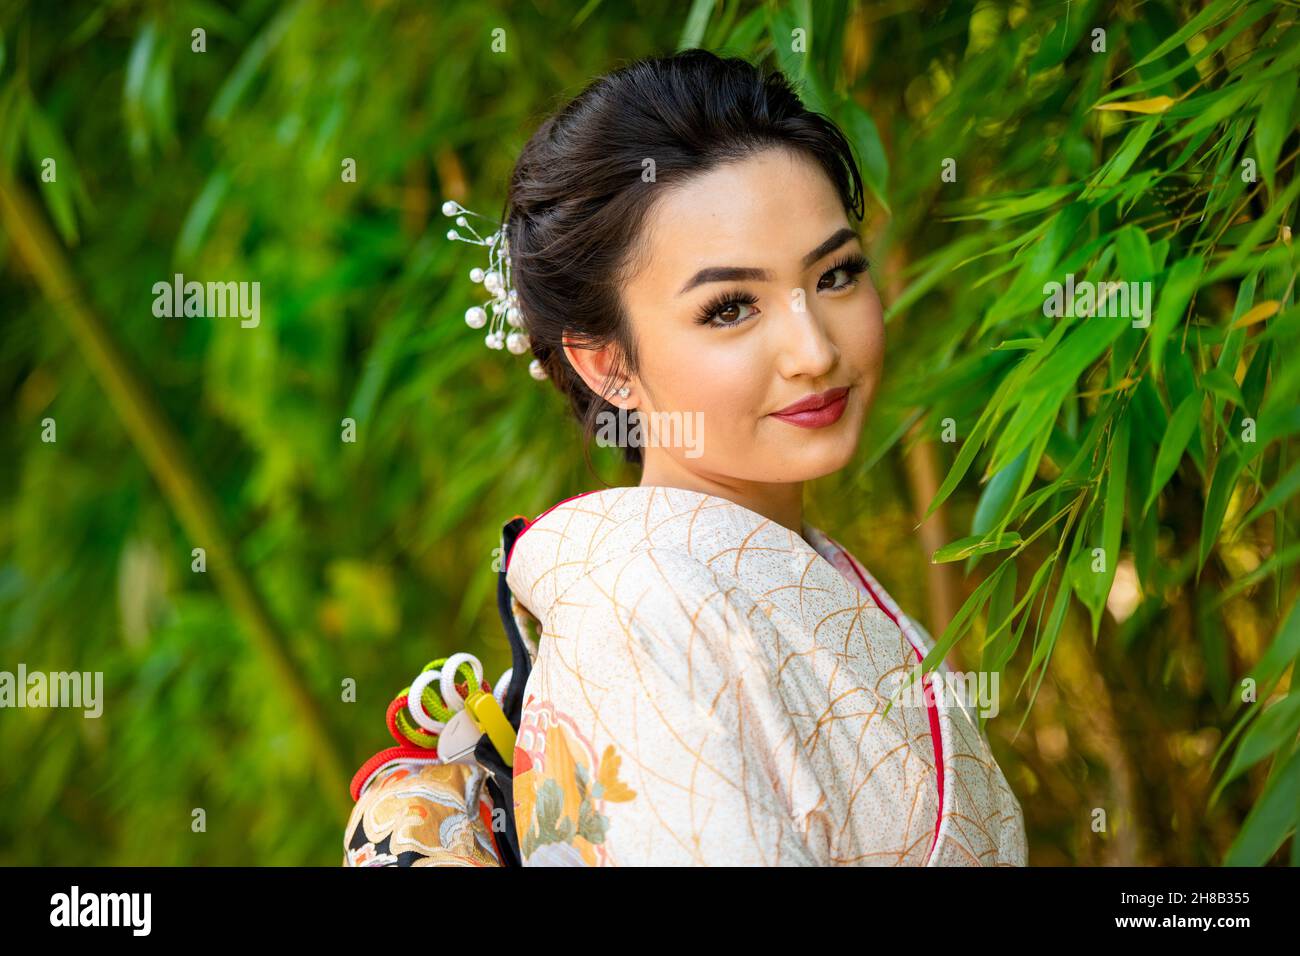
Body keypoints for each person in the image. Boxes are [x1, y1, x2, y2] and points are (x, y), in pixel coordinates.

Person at [343, 48, 1026, 867]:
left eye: (837, 274)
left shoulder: (795, 585)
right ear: (607, 363)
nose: (813, 349)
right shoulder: (638, 614)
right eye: (731, 307)